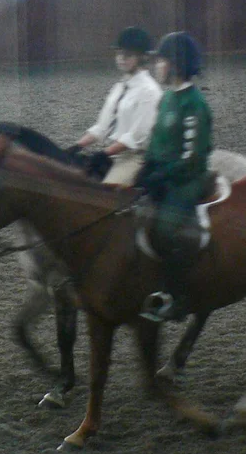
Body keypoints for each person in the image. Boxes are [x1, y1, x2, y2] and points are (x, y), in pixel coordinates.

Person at [135, 31, 213, 324]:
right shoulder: (167, 98)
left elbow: (192, 160)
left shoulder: (194, 104)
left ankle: (179, 298)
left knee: (167, 229)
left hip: (187, 180)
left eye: (162, 61)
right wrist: (146, 170)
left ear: (176, 65)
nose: (157, 66)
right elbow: (157, 142)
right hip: (163, 175)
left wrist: (161, 176)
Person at [71, 26, 162, 186]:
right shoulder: (119, 87)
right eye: (119, 53)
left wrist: (104, 154)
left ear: (142, 57)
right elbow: (102, 127)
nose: (121, 58)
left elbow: (136, 137)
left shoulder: (150, 91)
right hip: (114, 153)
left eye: (128, 55)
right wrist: (76, 147)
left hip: (136, 157)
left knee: (105, 193)